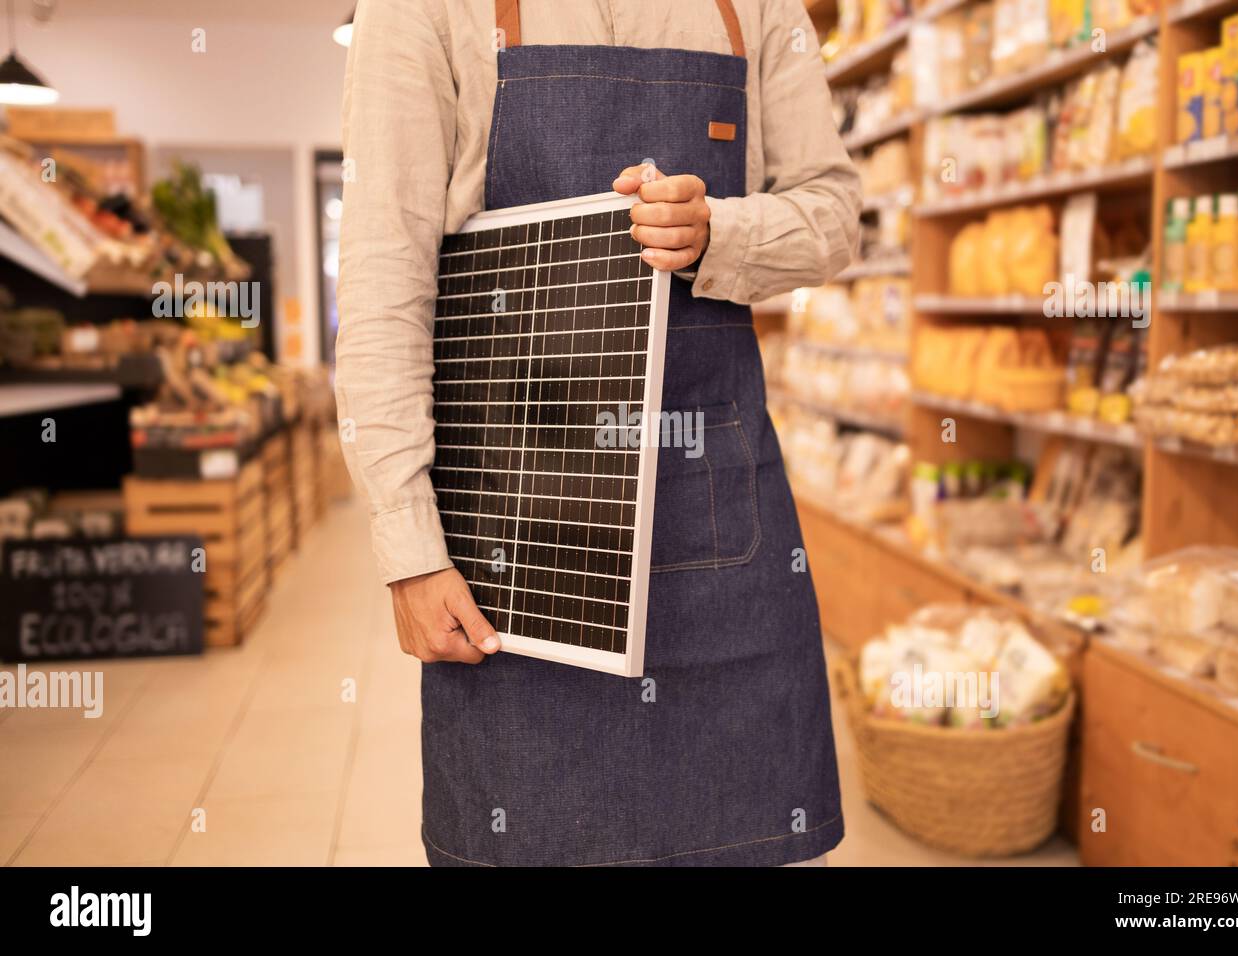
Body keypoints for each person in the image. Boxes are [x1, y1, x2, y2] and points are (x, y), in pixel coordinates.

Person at [336, 0, 860, 866]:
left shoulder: (754, 9)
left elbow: (836, 212)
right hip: (517, 546)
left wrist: (717, 232)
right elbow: (384, 278)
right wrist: (409, 546)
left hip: (718, 523)